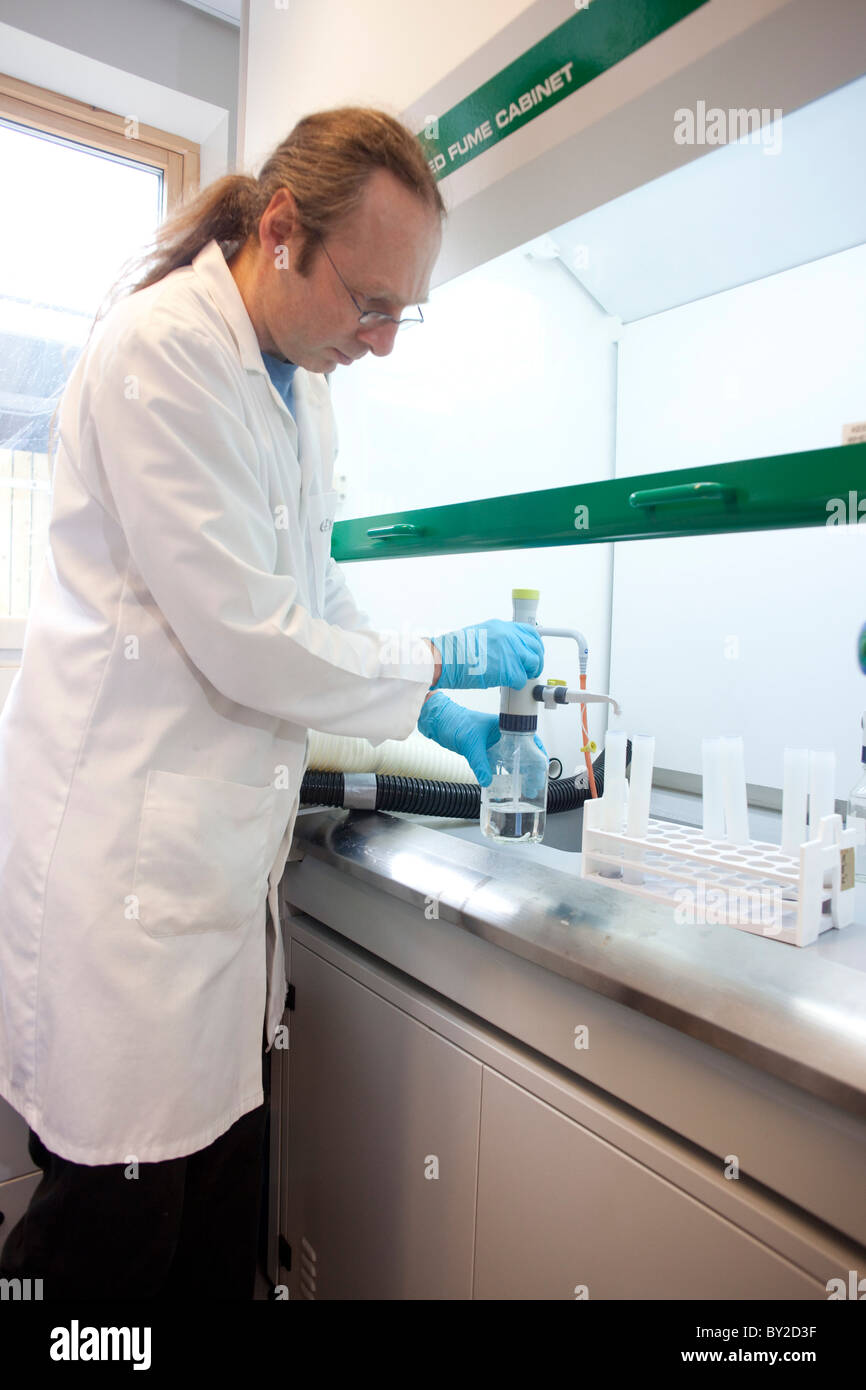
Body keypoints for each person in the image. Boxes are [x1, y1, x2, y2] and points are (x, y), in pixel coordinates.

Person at [0, 107, 544, 1298]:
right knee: (105, 1248)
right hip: (122, 893)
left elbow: (316, 595)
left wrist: (423, 710)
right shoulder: (161, 352)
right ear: (283, 232)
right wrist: (440, 661)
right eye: (370, 302)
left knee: (210, 1238)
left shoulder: (300, 380)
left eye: (405, 310)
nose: (385, 338)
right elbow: (250, 639)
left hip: (211, 908)